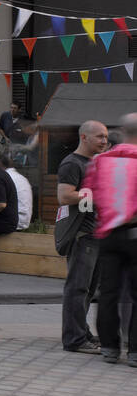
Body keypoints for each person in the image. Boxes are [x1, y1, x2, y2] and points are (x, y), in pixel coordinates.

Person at [83, 113, 137, 365]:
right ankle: (135, 351)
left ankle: (109, 348)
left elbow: (89, 195)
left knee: (108, 293)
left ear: (123, 132)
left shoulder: (99, 162)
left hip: (107, 233)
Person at [58, 120, 110, 353]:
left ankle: (82, 332)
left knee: (89, 289)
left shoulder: (96, 162)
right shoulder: (72, 163)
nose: (104, 140)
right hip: (83, 235)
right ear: (84, 137)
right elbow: (65, 196)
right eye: (99, 136)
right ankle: (74, 339)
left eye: (106, 136)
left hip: (97, 233)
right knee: (77, 288)